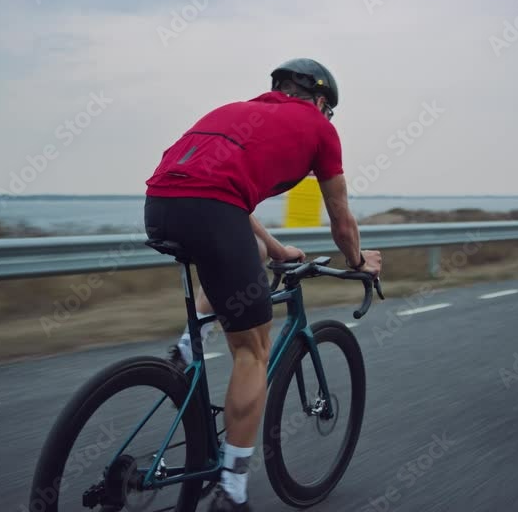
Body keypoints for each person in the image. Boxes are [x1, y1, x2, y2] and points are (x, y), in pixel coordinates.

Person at [143, 58, 382, 511]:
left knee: (239, 256)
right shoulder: (318, 127)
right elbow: (341, 217)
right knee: (253, 351)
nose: (326, 118)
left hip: (159, 207)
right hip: (212, 212)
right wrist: (358, 261)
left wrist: (272, 246)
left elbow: (223, 189)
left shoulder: (236, 112)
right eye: (327, 110)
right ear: (319, 101)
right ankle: (231, 491)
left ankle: (187, 350)